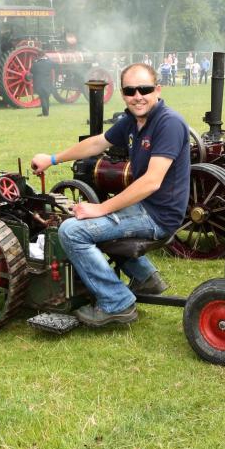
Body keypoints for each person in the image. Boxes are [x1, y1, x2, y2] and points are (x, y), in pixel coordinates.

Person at [30, 63, 190, 327]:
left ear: (158, 90)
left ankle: (117, 304)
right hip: (145, 208)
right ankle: (147, 278)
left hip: (158, 216)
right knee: (86, 221)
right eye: (130, 90)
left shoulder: (169, 123)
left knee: (72, 231)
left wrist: (101, 209)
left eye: (145, 89)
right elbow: (97, 142)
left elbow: (151, 182)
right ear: (123, 94)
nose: (137, 96)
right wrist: (53, 158)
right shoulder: (132, 120)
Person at [31, 51, 56, 116]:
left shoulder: (36, 64)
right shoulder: (50, 63)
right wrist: (53, 81)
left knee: (42, 98)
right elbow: (52, 72)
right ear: (44, 55)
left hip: (39, 83)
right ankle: (46, 112)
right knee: (47, 97)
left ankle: (45, 113)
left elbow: (31, 72)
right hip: (48, 82)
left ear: (38, 56)